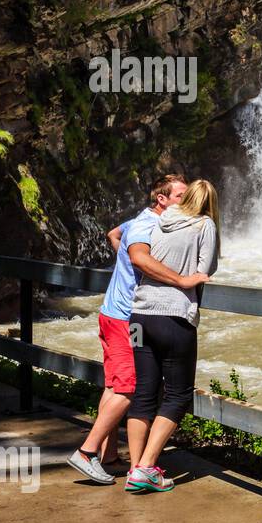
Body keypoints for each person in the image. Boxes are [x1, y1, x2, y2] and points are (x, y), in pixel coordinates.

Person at [67, 174, 209, 485]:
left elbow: (113, 234)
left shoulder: (137, 221)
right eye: (180, 196)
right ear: (162, 199)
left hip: (114, 312)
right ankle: (86, 452)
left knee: (115, 384)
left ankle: (107, 456)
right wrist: (182, 280)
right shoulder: (149, 226)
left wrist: (125, 272)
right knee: (129, 387)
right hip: (123, 317)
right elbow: (139, 257)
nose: (186, 202)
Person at [125, 179, 220, 493]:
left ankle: (135, 470)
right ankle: (147, 467)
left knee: (143, 394)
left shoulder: (163, 219)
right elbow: (205, 269)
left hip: (140, 316)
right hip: (173, 317)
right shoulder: (204, 224)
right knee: (177, 395)